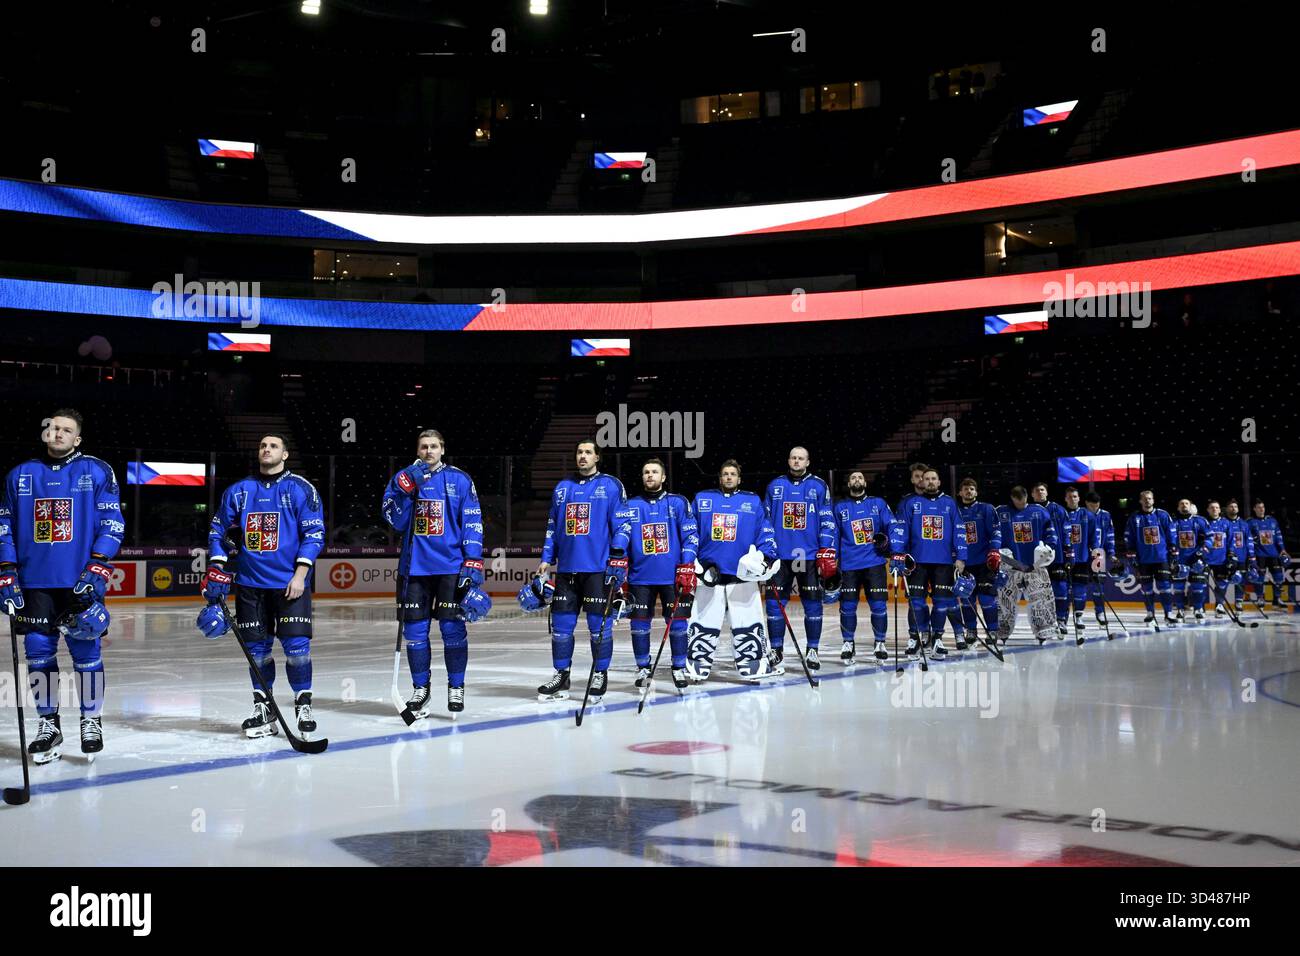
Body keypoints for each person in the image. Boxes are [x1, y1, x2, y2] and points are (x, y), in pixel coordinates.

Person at [0, 408, 123, 762]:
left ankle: (91, 720)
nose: (58, 434)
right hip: (33, 583)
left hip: (79, 579)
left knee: (86, 653)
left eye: (66, 430)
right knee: (38, 653)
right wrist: (6, 569)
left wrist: (99, 564)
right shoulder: (19, 475)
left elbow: (112, 521)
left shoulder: (96, 470)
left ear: (77, 439)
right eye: (53, 428)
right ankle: (49, 725)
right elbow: (4, 526)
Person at [203, 434, 325, 737]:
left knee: (297, 649)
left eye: (273, 446)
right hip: (249, 586)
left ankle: (302, 703)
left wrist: (300, 575)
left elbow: (314, 535)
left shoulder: (300, 489)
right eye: (262, 446)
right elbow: (217, 530)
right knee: (257, 651)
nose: (266, 449)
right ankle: (264, 708)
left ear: (285, 454)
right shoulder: (239, 491)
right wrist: (217, 567)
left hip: (289, 585)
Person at [381, 429, 487, 716]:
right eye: (423, 447)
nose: (428, 451)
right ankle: (420, 689)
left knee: (452, 629)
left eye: (434, 446)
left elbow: (472, 522)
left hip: (451, 568)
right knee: (415, 633)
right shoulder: (407, 478)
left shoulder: (460, 479)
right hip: (414, 569)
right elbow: (395, 521)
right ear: (418, 451)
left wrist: (473, 561)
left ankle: (456, 686)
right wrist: (403, 491)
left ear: (443, 449)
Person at [534, 441, 626, 703]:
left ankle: (599, 673)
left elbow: (622, 525)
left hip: (597, 570)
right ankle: (561, 675)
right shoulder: (562, 488)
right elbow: (553, 527)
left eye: (588, 452)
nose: (583, 456)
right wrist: (546, 558)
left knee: (599, 628)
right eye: (579, 452)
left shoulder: (610, 485)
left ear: (597, 457)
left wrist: (618, 555)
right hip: (566, 571)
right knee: (562, 628)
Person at [685, 460, 780, 682]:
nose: (728, 477)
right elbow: (691, 533)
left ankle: (754, 666)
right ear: (719, 478)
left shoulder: (752, 501)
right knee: (702, 624)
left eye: (733, 474)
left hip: (742, 578)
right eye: (725, 474)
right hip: (710, 577)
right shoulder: (702, 499)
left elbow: (765, 533)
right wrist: (692, 561)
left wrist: (766, 559)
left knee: (749, 625)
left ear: (739, 478)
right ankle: (695, 667)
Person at [611, 458, 699, 690]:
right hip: (640, 578)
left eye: (654, 472)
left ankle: (679, 668)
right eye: (646, 472)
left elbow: (691, 536)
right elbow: (623, 538)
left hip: (672, 577)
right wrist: (619, 562)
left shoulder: (679, 503)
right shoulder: (630, 506)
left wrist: (687, 565)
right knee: (639, 626)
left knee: (679, 625)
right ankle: (643, 668)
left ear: (663, 477)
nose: (650, 475)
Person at [763, 446, 835, 669]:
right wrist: (766, 549)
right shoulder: (775, 486)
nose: (796, 461)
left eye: (800, 458)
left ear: (807, 462)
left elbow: (827, 519)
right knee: (775, 605)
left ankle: (812, 649)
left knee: (812, 605)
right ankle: (776, 650)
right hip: (780, 556)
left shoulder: (819, 485)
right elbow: (764, 521)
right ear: (788, 460)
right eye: (793, 457)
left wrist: (826, 548)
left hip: (807, 554)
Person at [889, 468, 966, 660]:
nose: (930, 482)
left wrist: (961, 557)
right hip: (917, 562)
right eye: (927, 479)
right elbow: (900, 530)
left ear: (939, 482)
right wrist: (898, 555)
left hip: (944, 562)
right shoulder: (911, 503)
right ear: (921, 482)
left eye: (934, 478)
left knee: (941, 603)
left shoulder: (949, 503)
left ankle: (937, 638)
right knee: (916, 602)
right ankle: (916, 636)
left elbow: (959, 530)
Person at [831, 471, 894, 663]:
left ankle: (880, 643)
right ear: (848, 483)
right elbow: (833, 534)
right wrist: (832, 560)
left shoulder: (878, 503)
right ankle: (848, 643)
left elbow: (891, 526)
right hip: (849, 566)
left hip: (874, 564)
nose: (856, 480)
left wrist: (890, 544)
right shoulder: (839, 507)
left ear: (865, 482)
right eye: (853, 478)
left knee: (879, 606)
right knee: (848, 608)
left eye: (860, 477)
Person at [993, 485, 1058, 646]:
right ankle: (1002, 632)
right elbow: (993, 534)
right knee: (1004, 601)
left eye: (1023, 502)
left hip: (1035, 566)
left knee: (1041, 599)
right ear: (1012, 498)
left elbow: (1051, 534)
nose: (1021, 505)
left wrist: (1049, 548)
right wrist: (997, 552)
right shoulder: (1000, 512)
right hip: (1009, 565)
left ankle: (1044, 631)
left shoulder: (1040, 511)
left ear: (1027, 497)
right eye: (1017, 502)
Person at [955, 477, 1002, 650]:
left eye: (972, 489)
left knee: (986, 598)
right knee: (967, 600)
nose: (969, 491)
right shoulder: (955, 511)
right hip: (964, 563)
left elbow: (996, 531)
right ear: (959, 493)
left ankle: (992, 631)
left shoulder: (987, 509)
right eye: (965, 489)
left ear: (976, 492)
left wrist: (994, 551)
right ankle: (971, 631)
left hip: (984, 563)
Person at [1123, 490, 1178, 627]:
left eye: (1150, 498)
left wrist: (1173, 549)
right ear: (1140, 501)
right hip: (1143, 560)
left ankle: (1168, 613)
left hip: (1161, 558)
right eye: (1144, 499)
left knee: (1164, 587)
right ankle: (1150, 613)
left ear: (1153, 500)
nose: (1147, 501)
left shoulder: (1162, 515)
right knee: (1146, 588)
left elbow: (1171, 534)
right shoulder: (1134, 518)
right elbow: (1129, 538)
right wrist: (1131, 553)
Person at [1058, 486, 1101, 641]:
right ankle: (1061, 620)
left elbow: (1094, 539)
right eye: (1069, 496)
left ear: (1079, 498)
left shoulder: (1087, 515)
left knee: (1079, 590)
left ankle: (1079, 617)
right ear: (1065, 499)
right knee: (1063, 592)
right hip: (1063, 560)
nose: (1072, 499)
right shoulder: (1060, 514)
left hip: (1082, 559)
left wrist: (1097, 559)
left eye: (1075, 496)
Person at [1031, 482, 1070, 638]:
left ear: (1047, 492)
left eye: (1042, 489)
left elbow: (1067, 532)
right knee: (1039, 594)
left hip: (1057, 557)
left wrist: (1069, 552)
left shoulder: (1058, 509)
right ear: (1032, 495)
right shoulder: (1029, 510)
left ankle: (1061, 621)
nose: (1040, 492)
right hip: (1036, 560)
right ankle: (1044, 624)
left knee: (1060, 590)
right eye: (1036, 490)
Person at [1082, 491, 1118, 627]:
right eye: (1092, 506)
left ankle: (1100, 613)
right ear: (1086, 503)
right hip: (1082, 556)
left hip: (1099, 555)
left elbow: (1110, 535)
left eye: (1096, 506)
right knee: (1081, 585)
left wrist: (1111, 552)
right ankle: (1077, 614)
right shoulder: (1081, 514)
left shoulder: (1106, 515)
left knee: (1099, 586)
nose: (1094, 508)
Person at [1170, 499, 1209, 622]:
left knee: (1198, 586)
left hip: (1195, 559)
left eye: (1186, 503)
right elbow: (1168, 540)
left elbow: (1210, 537)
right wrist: (1172, 556)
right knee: (1178, 587)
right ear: (1178, 507)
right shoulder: (1173, 522)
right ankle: (1180, 610)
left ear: (1190, 506)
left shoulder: (1200, 521)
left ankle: (1197, 609)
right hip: (1179, 560)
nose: (1184, 506)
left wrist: (1201, 552)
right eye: (1181, 503)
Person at [1248, 499, 1291, 607]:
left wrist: (1282, 549)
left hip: (1274, 554)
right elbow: (1247, 538)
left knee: (1279, 577)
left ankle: (1277, 599)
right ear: (1254, 509)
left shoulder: (1272, 521)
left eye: (1263, 507)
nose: (1261, 509)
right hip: (1259, 555)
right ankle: (1260, 599)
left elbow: (1279, 536)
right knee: (1259, 579)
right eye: (1259, 507)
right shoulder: (1250, 522)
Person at [1223, 499, 1256, 612]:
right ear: (1227, 509)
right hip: (1226, 558)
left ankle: (1239, 601)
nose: (1233, 508)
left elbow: (1249, 541)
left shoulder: (1244, 524)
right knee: (1224, 581)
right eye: (1231, 506)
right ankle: (1220, 604)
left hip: (1241, 557)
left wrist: (1251, 557)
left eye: (1235, 506)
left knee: (1240, 580)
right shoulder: (1222, 522)